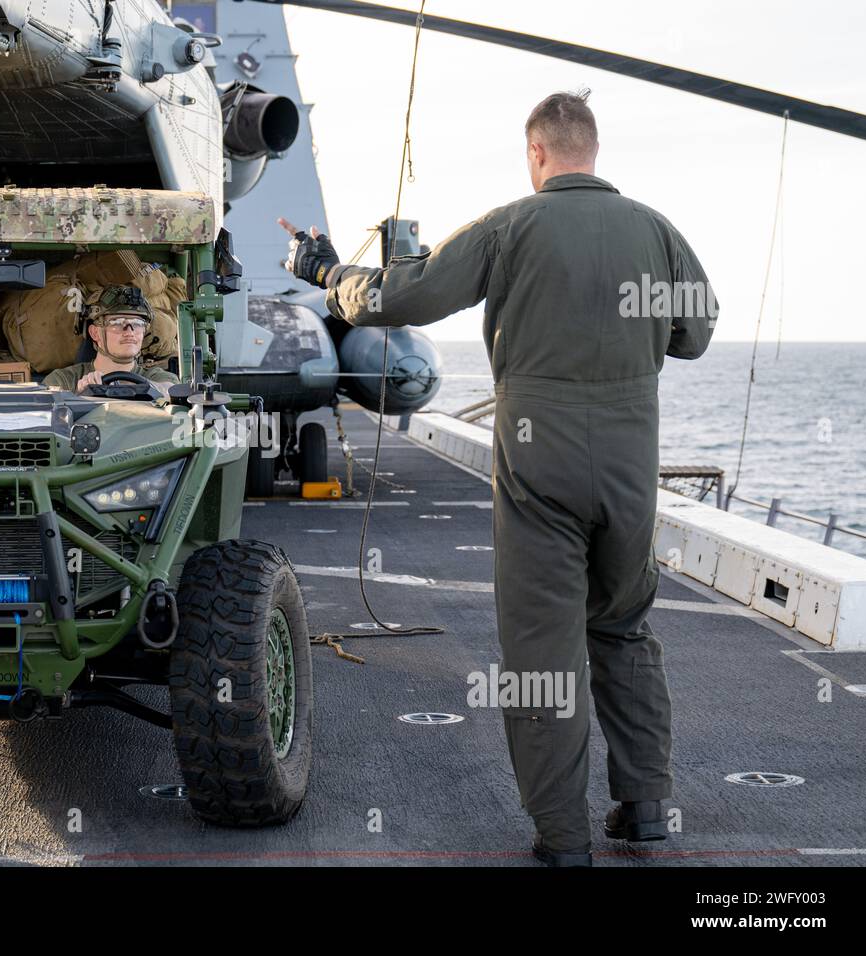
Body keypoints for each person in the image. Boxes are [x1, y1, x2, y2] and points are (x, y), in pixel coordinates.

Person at [282, 90, 716, 867]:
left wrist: (325, 270)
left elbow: (398, 295)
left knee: (544, 657)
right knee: (623, 626)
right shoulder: (656, 230)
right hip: (628, 464)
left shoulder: (509, 226)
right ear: (591, 148)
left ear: (537, 153)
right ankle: (645, 805)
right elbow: (696, 334)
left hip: (539, 458)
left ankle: (563, 838)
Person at [42, 285, 179, 393]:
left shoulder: (158, 377)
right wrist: (78, 396)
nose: (130, 332)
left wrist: (129, 385)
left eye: (137, 324)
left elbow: (169, 391)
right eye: (117, 323)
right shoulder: (64, 381)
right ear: (95, 333)